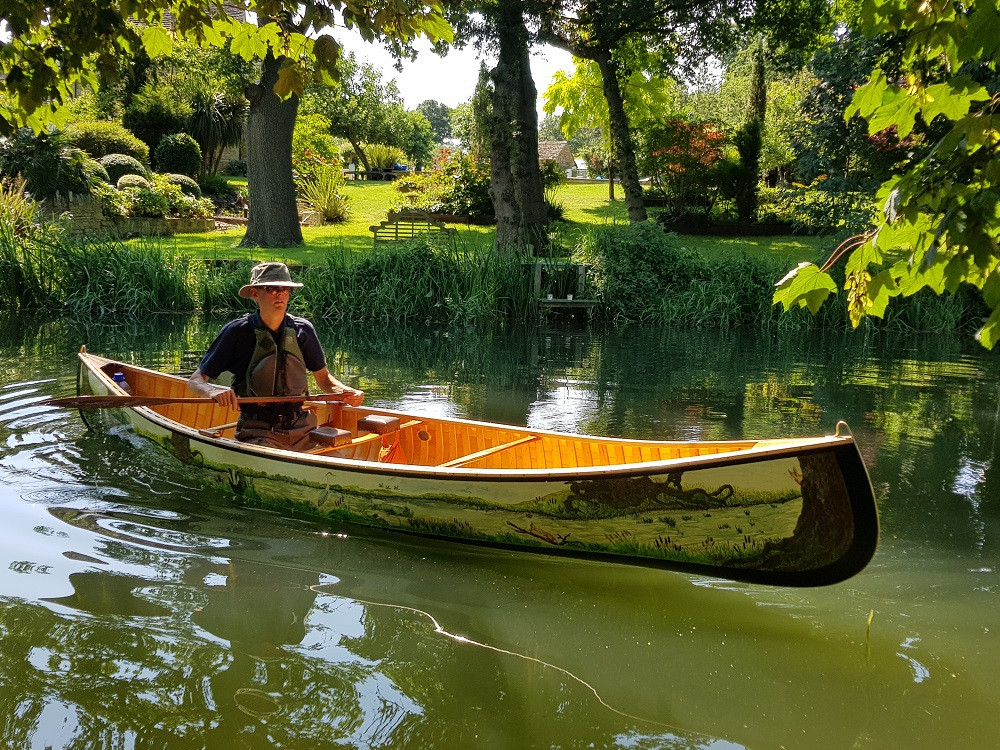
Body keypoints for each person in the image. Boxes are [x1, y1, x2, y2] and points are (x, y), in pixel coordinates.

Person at [188, 261, 364, 450]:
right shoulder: (236, 332)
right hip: (257, 431)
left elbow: (324, 379)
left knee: (336, 460)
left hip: (303, 428)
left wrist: (346, 392)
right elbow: (195, 380)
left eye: (285, 289)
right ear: (255, 294)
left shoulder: (303, 330)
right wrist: (213, 391)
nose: (280, 293)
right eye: (272, 288)